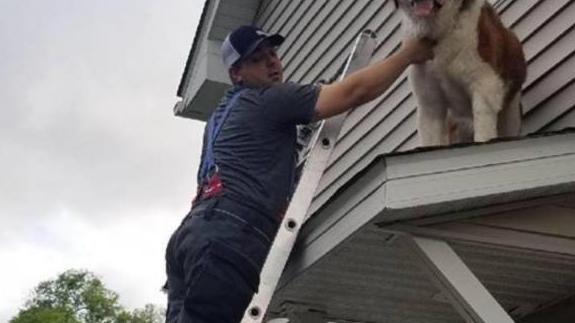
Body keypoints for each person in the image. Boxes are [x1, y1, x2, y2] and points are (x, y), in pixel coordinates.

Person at [164, 25, 434, 322]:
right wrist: (409, 54)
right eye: (257, 58)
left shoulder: (219, 116)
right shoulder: (268, 100)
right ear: (236, 73)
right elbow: (354, 91)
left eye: (273, 53)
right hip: (228, 237)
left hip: (190, 237)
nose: (271, 62)